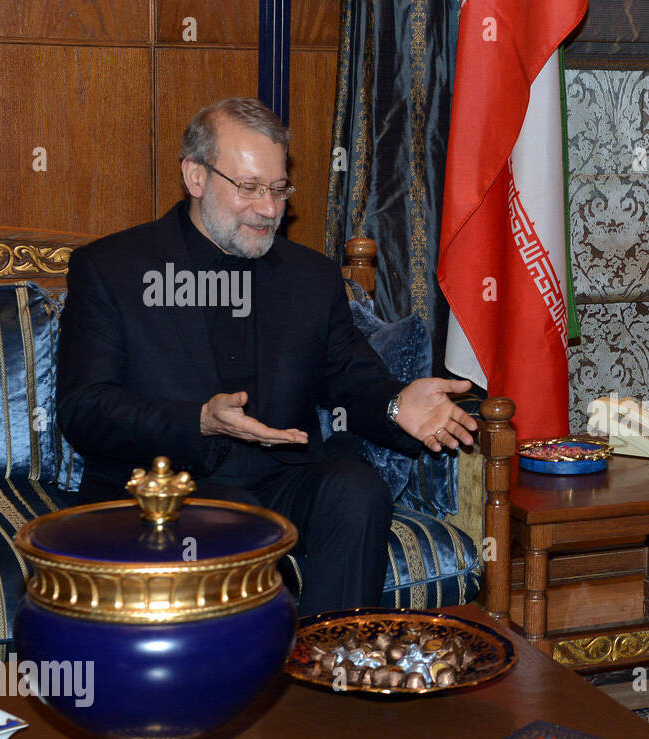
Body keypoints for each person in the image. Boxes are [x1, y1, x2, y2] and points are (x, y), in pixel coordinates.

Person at [57, 98, 478, 617]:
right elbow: (84, 408)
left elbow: (350, 374)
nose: (269, 208)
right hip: (163, 486)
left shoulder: (309, 277)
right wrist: (200, 421)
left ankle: (331, 665)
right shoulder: (112, 269)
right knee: (237, 518)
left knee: (354, 488)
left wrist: (396, 403)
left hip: (280, 476)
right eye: (249, 188)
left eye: (278, 189)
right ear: (195, 176)